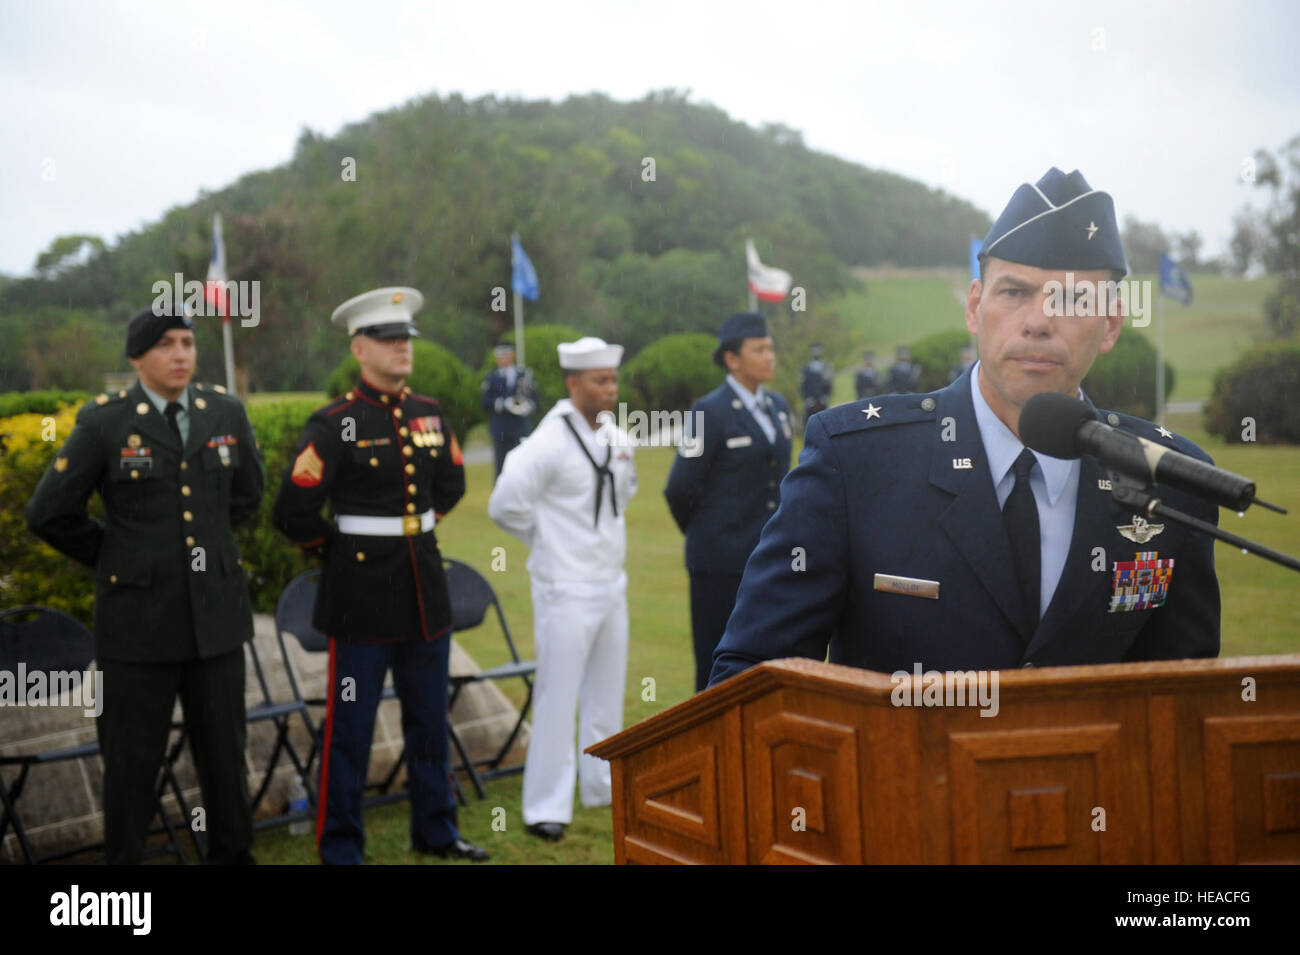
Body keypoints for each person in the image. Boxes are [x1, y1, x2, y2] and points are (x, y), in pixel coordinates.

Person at [709, 167, 1220, 687]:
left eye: (1070, 300)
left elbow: (1189, 706)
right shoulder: (856, 463)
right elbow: (750, 678)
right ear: (975, 307)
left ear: (1110, 325)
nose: (1038, 321)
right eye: (1015, 292)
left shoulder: (1169, 481)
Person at [26, 307, 264, 864]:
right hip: (138, 632)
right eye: (165, 345)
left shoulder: (224, 411)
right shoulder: (106, 421)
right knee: (131, 771)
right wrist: (119, 557)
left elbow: (246, 496)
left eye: (187, 342)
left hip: (217, 625)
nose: (180, 354)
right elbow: (48, 512)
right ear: (136, 358)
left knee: (226, 764)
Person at [272, 287, 488, 864]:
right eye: (388, 339)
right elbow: (291, 511)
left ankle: (437, 832)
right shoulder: (335, 423)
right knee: (352, 730)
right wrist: (339, 549)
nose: (402, 348)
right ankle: (342, 847)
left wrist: (414, 528)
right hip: (360, 598)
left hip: (424, 592)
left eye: (406, 338)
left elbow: (452, 485)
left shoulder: (430, 414)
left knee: (429, 722)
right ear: (359, 348)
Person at [487, 336, 637, 842]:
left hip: (609, 582)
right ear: (574, 384)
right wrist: (546, 539)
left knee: (607, 693)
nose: (610, 389)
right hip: (564, 586)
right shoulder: (547, 442)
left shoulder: (617, 435)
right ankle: (545, 805)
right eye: (600, 381)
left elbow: (625, 492)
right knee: (557, 695)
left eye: (613, 379)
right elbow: (504, 503)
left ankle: (601, 785)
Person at [663, 313, 793, 692]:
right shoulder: (709, 411)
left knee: (768, 663)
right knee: (717, 665)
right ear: (732, 359)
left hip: (769, 559)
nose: (769, 356)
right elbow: (679, 487)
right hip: (719, 565)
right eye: (758, 350)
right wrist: (711, 535)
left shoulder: (778, 406)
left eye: (770, 348)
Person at [482, 343, 536, 479]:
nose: (503, 359)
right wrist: (503, 404)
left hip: (520, 427)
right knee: (501, 466)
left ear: (512, 356)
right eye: (499, 356)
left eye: (505, 355)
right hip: (500, 428)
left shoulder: (523, 374)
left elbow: (534, 398)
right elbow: (485, 401)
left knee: (523, 464)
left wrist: (526, 406)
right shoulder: (491, 377)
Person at [800, 342, 834, 418]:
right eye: (814, 350)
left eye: (818, 350)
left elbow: (829, 384)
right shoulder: (806, 368)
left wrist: (825, 396)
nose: (816, 353)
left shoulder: (826, 367)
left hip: (823, 401)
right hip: (810, 402)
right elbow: (803, 385)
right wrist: (807, 398)